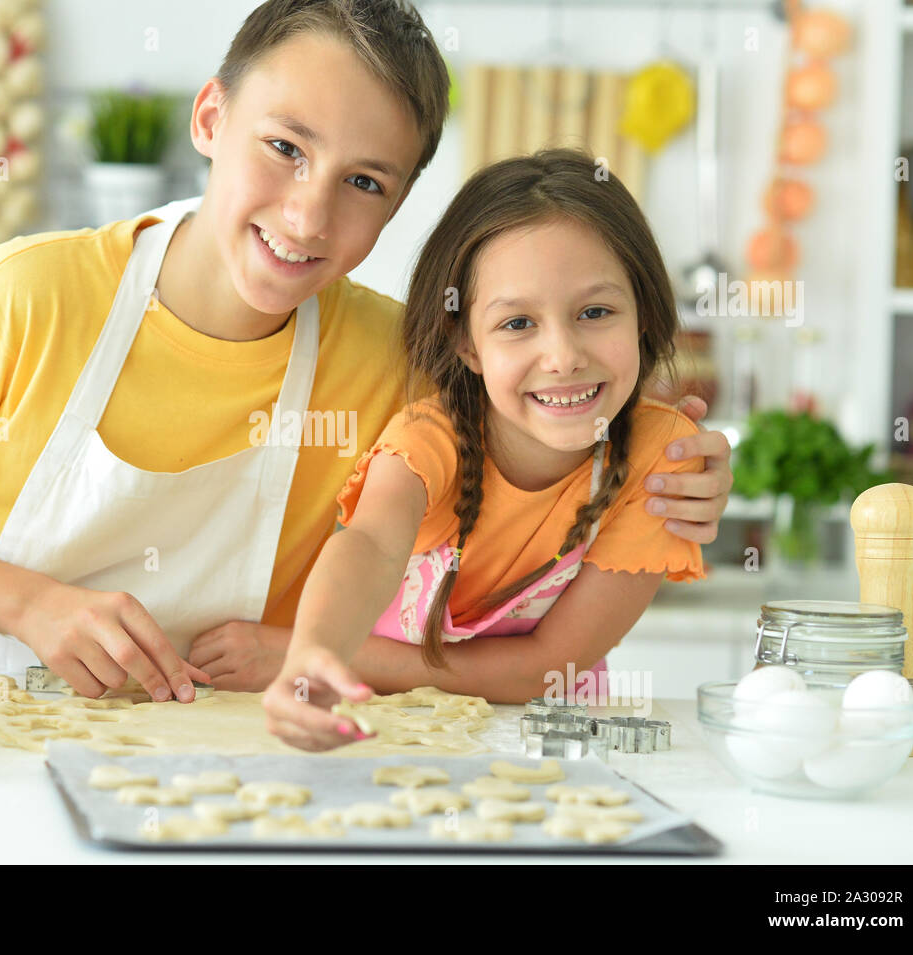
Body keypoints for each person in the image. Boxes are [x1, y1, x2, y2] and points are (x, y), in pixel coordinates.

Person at [0, 1, 731, 707]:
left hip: (250, 757)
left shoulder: (392, 353)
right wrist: (32, 605)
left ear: (396, 208)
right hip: (3, 740)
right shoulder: (32, 298)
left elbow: (551, 428)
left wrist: (680, 461)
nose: (309, 213)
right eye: (284, 147)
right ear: (210, 119)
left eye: (364, 181)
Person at [264, 149, 713, 749]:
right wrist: (312, 656)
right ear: (468, 346)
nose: (563, 356)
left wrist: (321, 658)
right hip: (380, 726)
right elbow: (369, 543)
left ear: (644, 319)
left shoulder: (662, 461)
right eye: (517, 324)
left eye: (596, 312)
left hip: (555, 744)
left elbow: (550, 666)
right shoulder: (431, 439)